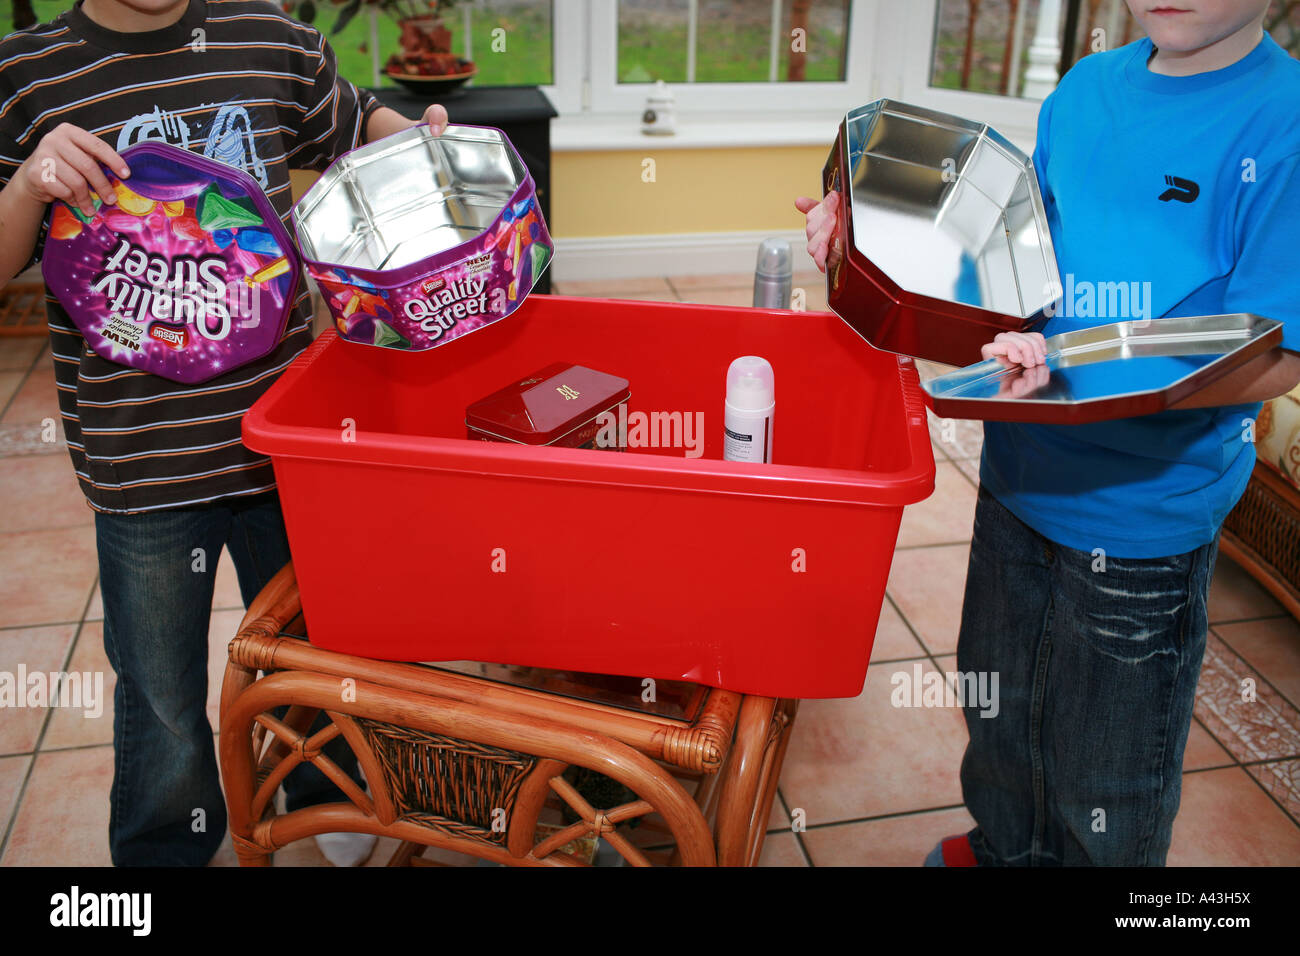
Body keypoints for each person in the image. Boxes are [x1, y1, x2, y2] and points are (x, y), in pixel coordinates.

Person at [799, 0, 1299, 866]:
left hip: (1144, 518)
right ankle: (1003, 849)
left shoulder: (1285, 123)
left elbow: (1281, 355)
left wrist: (1097, 387)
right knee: (998, 703)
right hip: (1018, 476)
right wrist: (867, 250)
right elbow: (1012, 274)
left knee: (1104, 768)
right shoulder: (1083, 88)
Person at [0, 0, 449, 866]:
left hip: (283, 443)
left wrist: (423, 140)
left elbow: (358, 122)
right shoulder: (29, 74)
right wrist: (26, 185)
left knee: (312, 651)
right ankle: (165, 843)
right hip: (141, 466)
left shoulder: (268, 35)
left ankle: (325, 796)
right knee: (161, 691)